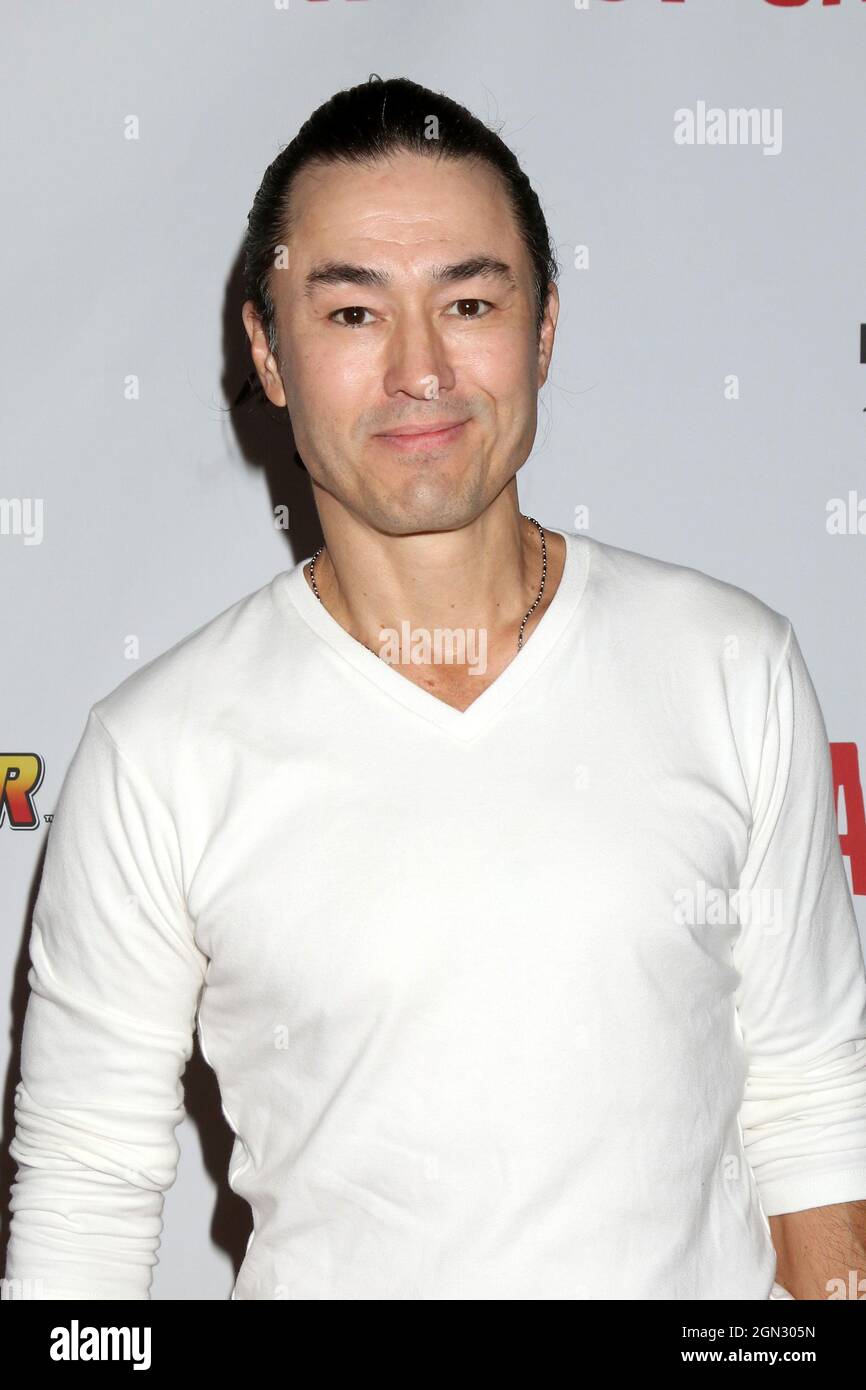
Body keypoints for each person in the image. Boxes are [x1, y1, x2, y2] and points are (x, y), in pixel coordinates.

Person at [5, 76, 866, 1302]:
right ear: (268, 352)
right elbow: (83, 1196)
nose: (420, 370)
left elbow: (810, 1092)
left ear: (544, 328)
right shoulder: (161, 752)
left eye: (467, 301)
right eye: (352, 312)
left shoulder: (729, 664)